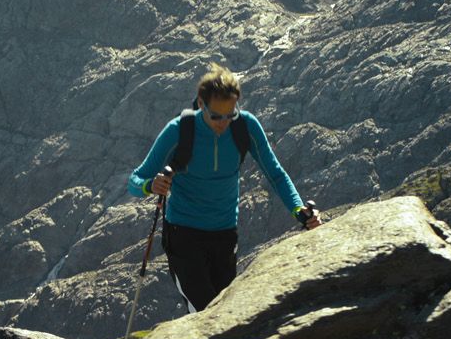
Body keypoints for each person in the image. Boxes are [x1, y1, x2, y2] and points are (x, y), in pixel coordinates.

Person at [128, 64, 321, 313]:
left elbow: (275, 174)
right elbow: (135, 180)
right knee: (206, 311)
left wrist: (298, 210)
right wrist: (149, 186)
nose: (223, 123)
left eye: (230, 114)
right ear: (201, 103)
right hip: (183, 236)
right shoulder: (179, 131)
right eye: (216, 116)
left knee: (224, 310)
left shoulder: (245, 127)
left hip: (224, 236)